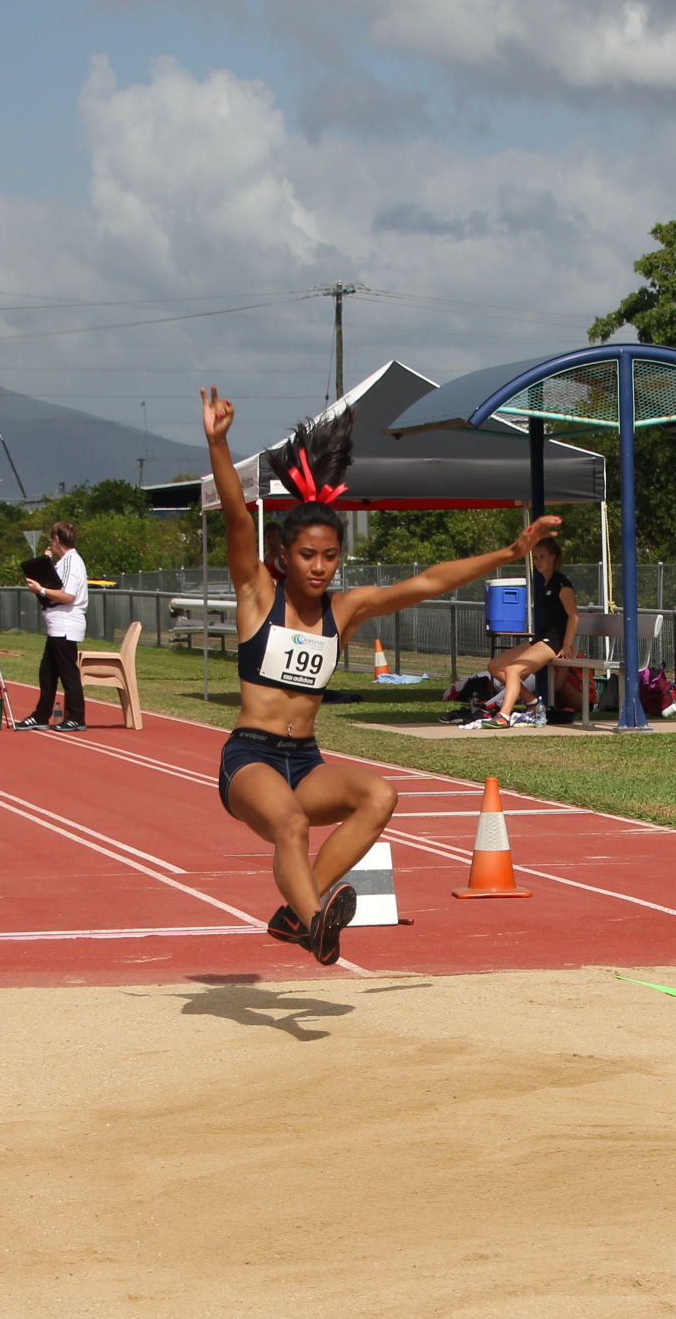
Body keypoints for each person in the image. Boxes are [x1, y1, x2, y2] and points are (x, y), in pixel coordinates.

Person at [202, 385, 559, 963]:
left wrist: (509, 551)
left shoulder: (343, 612)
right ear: (284, 557)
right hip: (250, 758)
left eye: (330, 557)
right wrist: (218, 444)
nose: (320, 567)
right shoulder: (255, 597)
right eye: (307, 556)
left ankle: (300, 913)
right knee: (290, 823)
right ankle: (314, 920)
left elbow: (426, 583)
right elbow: (239, 524)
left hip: (305, 759)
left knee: (380, 794)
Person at [480, 537, 579, 728]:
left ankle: (503, 716)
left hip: (554, 642)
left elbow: (574, 616)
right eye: (535, 558)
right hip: (541, 638)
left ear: (553, 557)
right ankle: (532, 703)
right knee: (495, 666)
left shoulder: (561, 584)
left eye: (542, 557)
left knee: (513, 670)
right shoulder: (545, 582)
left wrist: (567, 646)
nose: (538, 561)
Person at [16, 520, 89, 732]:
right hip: (56, 625)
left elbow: (67, 595)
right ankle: (41, 714)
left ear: (57, 539)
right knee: (47, 672)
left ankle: (77, 716)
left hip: (66, 625)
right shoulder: (63, 562)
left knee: (68, 673)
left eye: (51, 539)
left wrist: (41, 590)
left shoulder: (72, 562)